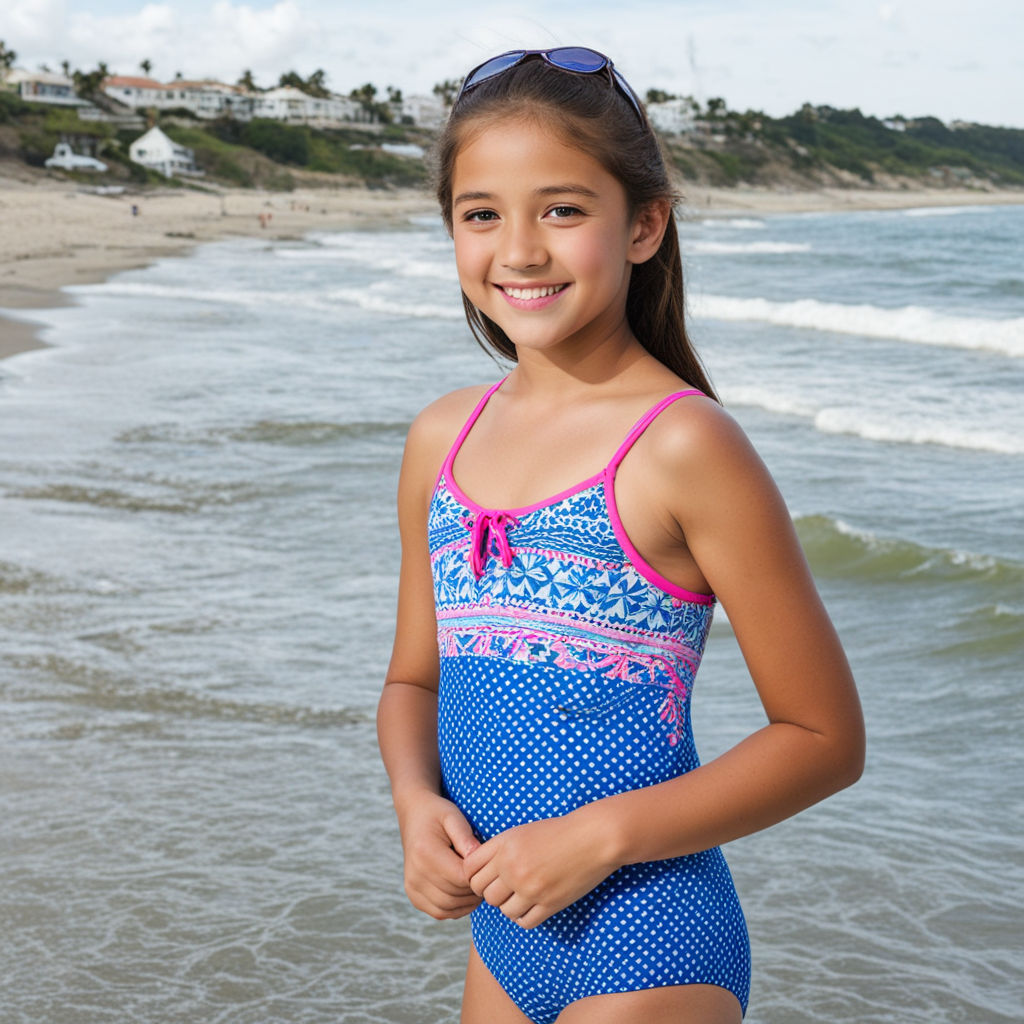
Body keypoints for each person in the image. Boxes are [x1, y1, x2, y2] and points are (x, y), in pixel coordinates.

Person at [377, 47, 864, 1024]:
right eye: (482, 213)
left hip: (649, 941)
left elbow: (823, 737)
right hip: (504, 931)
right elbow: (414, 680)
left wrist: (592, 838)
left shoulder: (683, 444)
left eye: (560, 209)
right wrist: (413, 804)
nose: (517, 249)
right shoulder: (443, 436)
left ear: (642, 224)